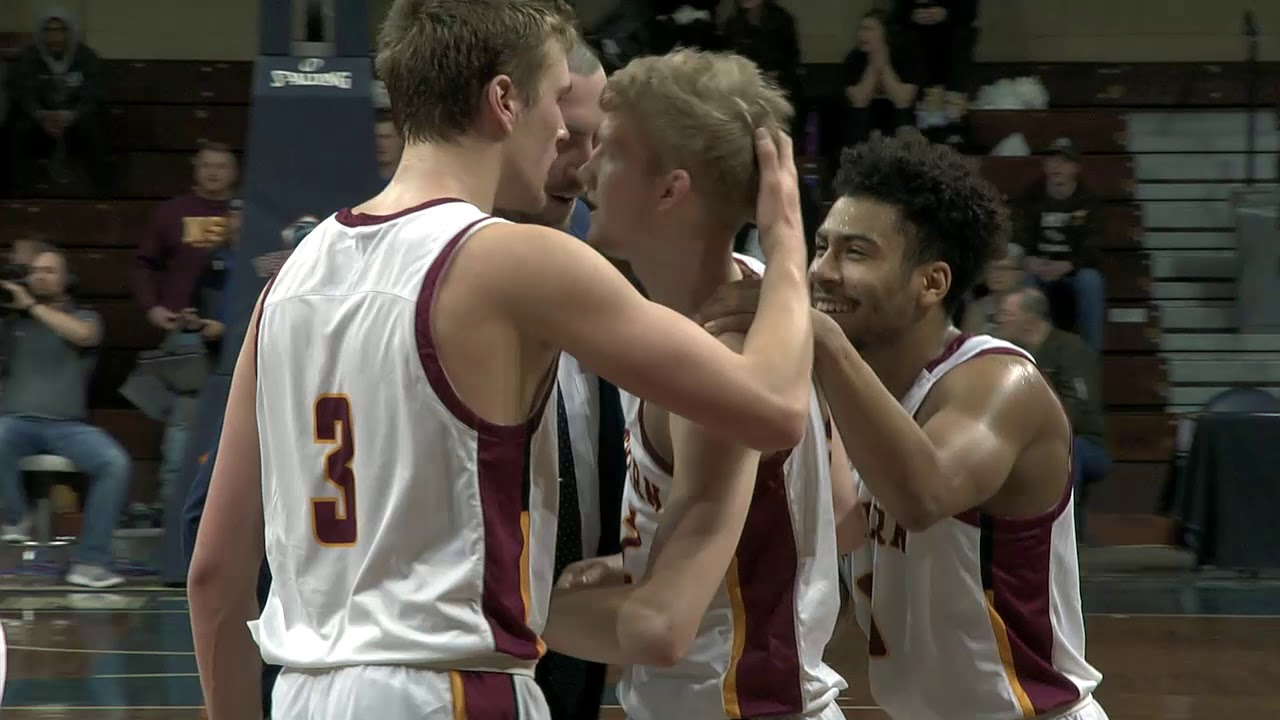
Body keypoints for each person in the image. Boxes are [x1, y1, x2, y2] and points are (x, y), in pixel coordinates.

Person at [186, 2, 814, 719]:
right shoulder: (512, 259)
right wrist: (786, 243)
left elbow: (213, 578)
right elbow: (775, 409)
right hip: (450, 688)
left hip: (306, 692)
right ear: (504, 101)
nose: (563, 140)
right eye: (555, 104)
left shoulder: (288, 283)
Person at [700, 134, 1107, 720]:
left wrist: (821, 338)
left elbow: (924, 493)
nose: (823, 272)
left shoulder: (999, 383)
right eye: (821, 247)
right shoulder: (847, 394)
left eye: (856, 253)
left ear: (932, 283)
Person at [541, 48, 850, 720]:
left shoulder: (725, 354)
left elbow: (659, 627)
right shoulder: (767, 309)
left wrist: (520, 606)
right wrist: (645, 565)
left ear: (670, 190)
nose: (588, 167)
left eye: (613, 151)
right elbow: (844, 513)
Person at [492, 40, 623, 720]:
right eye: (569, 137)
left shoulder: (615, 281)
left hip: (575, 662)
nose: (584, 166)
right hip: (453, 667)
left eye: (600, 142)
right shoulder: (398, 277)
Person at [0, 246, 131, 589]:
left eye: (49, 270)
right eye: (35, 271)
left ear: (66, 279)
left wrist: (31, 305)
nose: (40, 276)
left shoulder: (85, 317)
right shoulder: (11, 322)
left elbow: (84, 336)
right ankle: (14, 519)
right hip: (15, 423)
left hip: (68, 426)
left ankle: (91, 562)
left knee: (114, 462)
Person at [995, 287, 1109, 542]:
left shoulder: (1070, 349)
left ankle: (1069, 539)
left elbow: (1078, 406)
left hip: (1083, 442)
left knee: (1065, 453)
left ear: (1030, 319)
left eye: (1007, 313)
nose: (999, 318)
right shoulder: (1013, 353)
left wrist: (1036, 435)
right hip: (1028, 440)